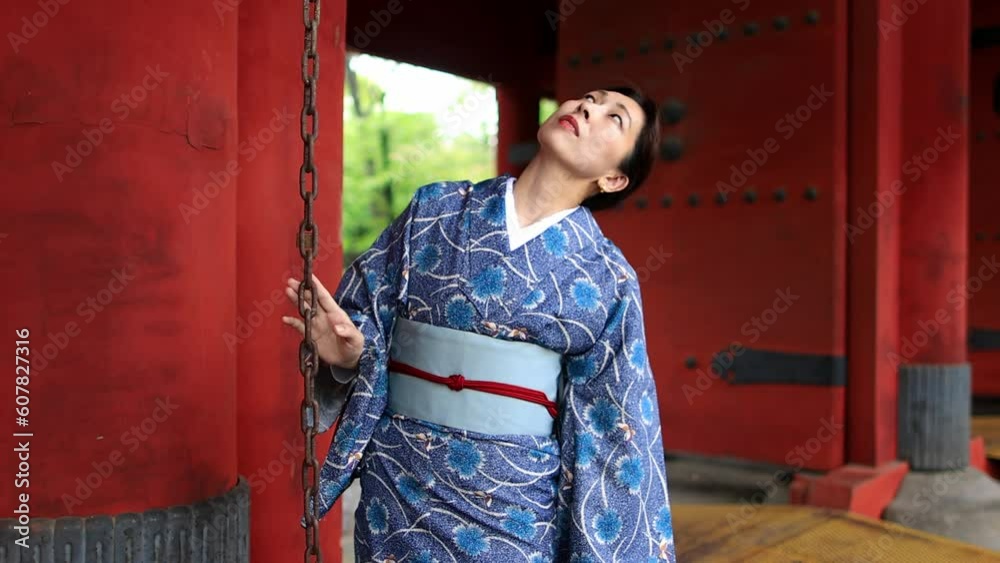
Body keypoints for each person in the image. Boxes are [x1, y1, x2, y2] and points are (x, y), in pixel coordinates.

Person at [283, 87, 675, 562]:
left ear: (614, 179)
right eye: (588, 98)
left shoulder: (607, 277)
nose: (587, 108)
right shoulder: (434, 210)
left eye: (615, 118)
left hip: (514, 502)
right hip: (401, 484)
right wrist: (350, 357)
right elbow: (361, 318)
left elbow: (616, 425)